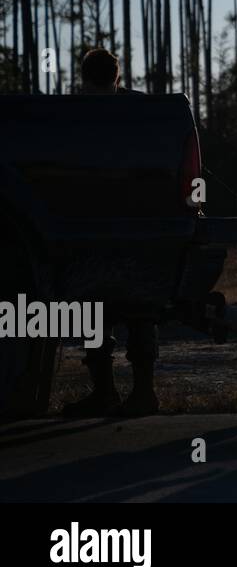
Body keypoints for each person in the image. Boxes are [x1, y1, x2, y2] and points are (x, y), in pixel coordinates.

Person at [63, 49, 159, 419]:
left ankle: (104, 392)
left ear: (84, 75)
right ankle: (143, 392)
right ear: (117, 76)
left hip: (86, 228)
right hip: (144, 225)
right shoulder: (146, 110)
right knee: (141, 306)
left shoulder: (68, 112)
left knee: (92, 308)